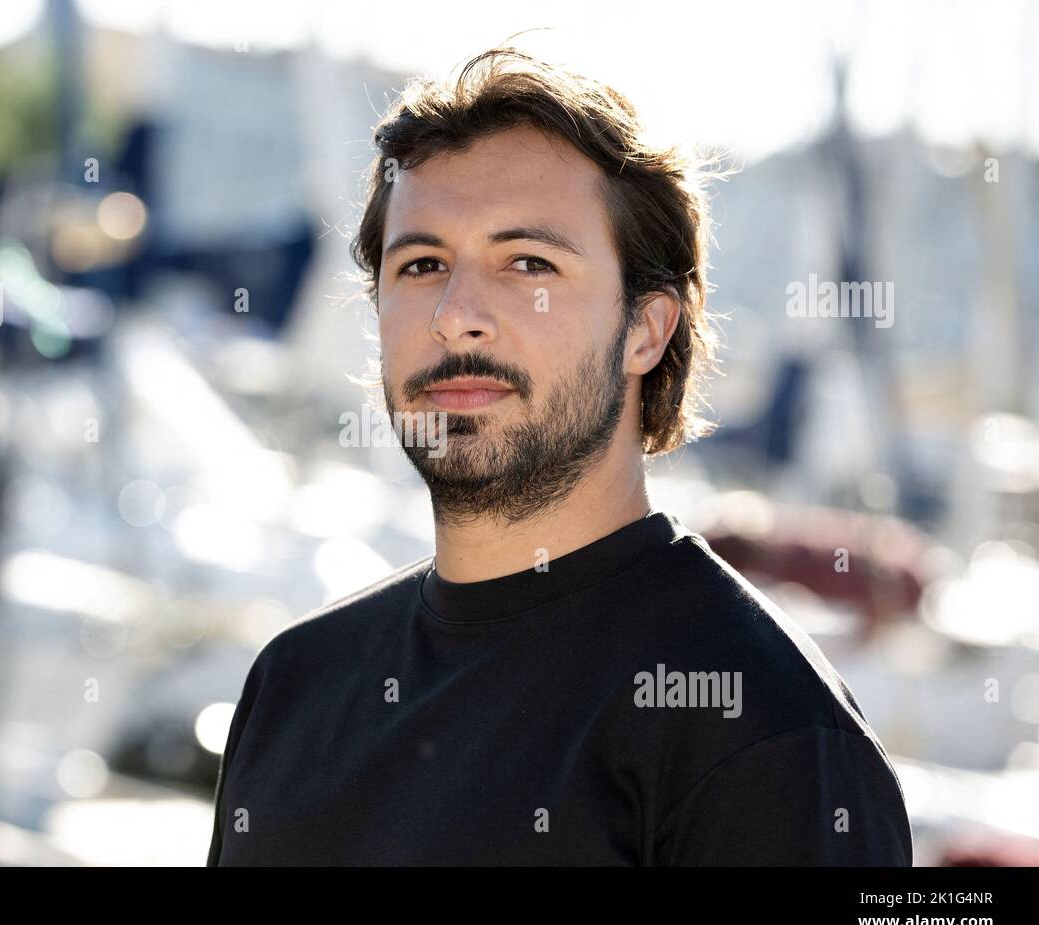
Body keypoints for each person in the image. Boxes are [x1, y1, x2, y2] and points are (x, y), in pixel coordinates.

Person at [206, 48, 912, 866]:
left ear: (647, 330)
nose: (456, 315)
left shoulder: (759, 729)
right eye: (422, 264)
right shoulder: (296, 684)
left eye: (528, 264)